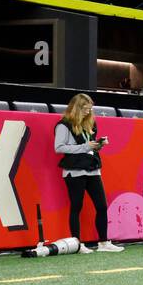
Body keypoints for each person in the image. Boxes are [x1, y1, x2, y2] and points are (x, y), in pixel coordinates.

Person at [54, 94, 122, 253]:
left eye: (90, 109)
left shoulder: (89, 123)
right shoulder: (63, 125)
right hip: (74, 171)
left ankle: (104, 242)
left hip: (92, 169)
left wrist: (98, 145)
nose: (88, 112)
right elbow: (59, 148)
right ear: (76, 108)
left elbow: (88, 145)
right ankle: (77, 244)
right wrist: (85, 147)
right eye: (85, 109)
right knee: (76, 207)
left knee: (102, 206)